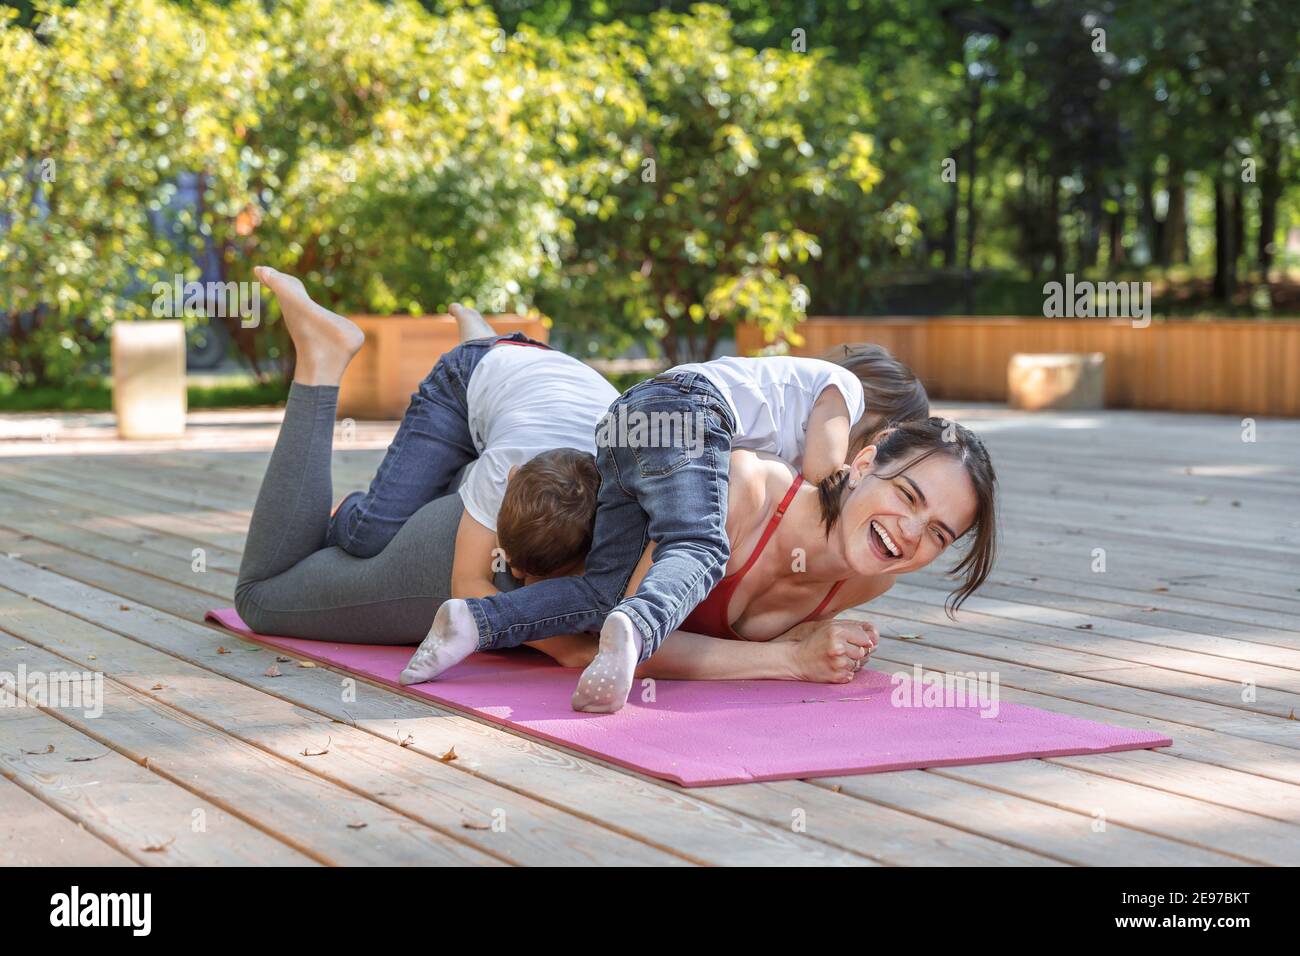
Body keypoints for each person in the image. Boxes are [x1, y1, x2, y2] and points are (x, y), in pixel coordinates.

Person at [403, 347, 941, 713]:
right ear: (875, 436)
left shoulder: (783, 402)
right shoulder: (840, 389)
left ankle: (475, 620)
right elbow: (826, 472)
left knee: (605, 587)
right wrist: (855, 485)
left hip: (625, 421)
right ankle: (638, 628)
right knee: (701, 544)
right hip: (688, 413)